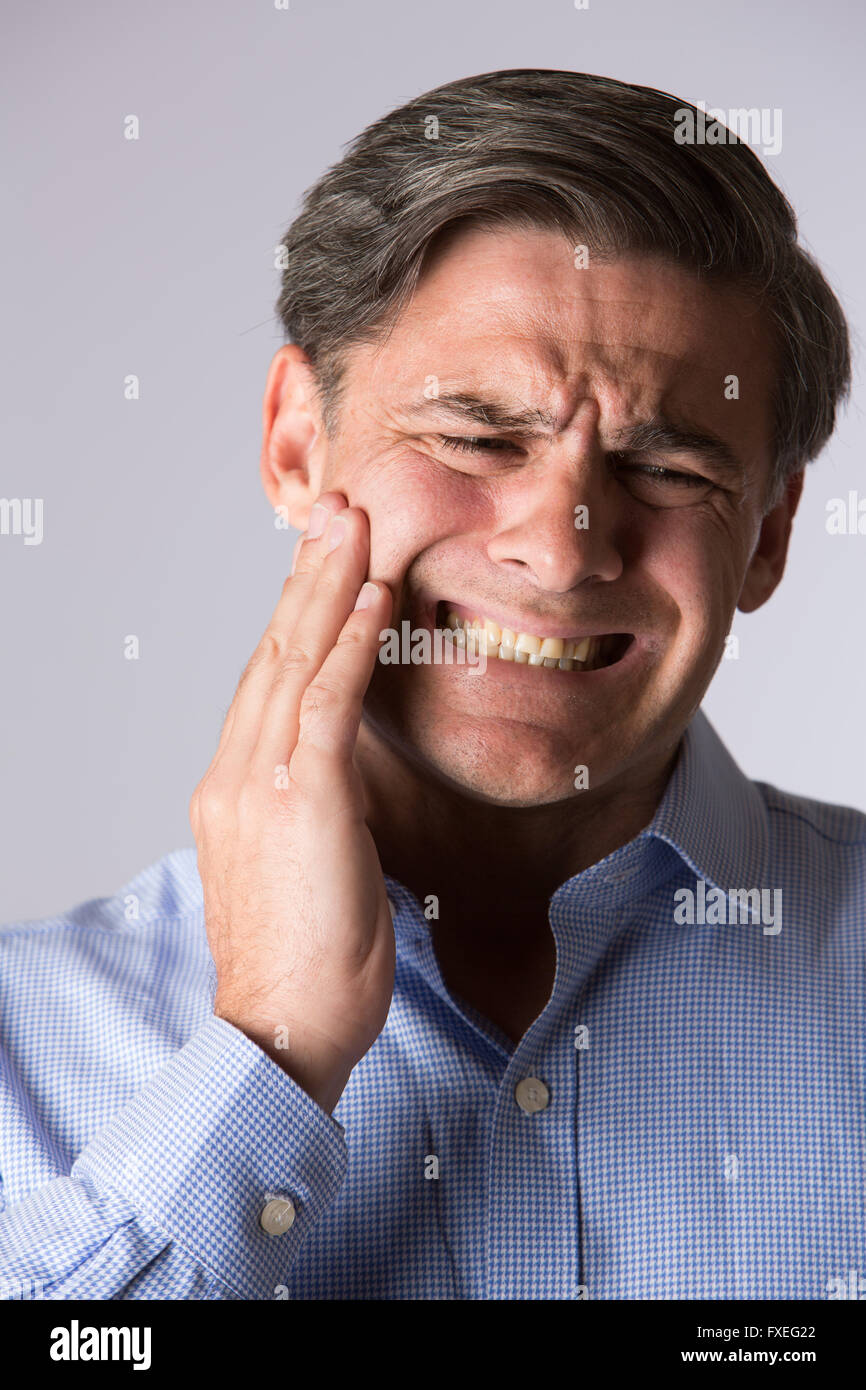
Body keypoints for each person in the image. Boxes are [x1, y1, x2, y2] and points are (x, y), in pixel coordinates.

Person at [1, 69, 862, 1302]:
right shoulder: (18, 1042)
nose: (562, 549)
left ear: (768, 536)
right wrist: (269, 1056)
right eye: (474, 437)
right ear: (297, 445)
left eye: (666, 466)